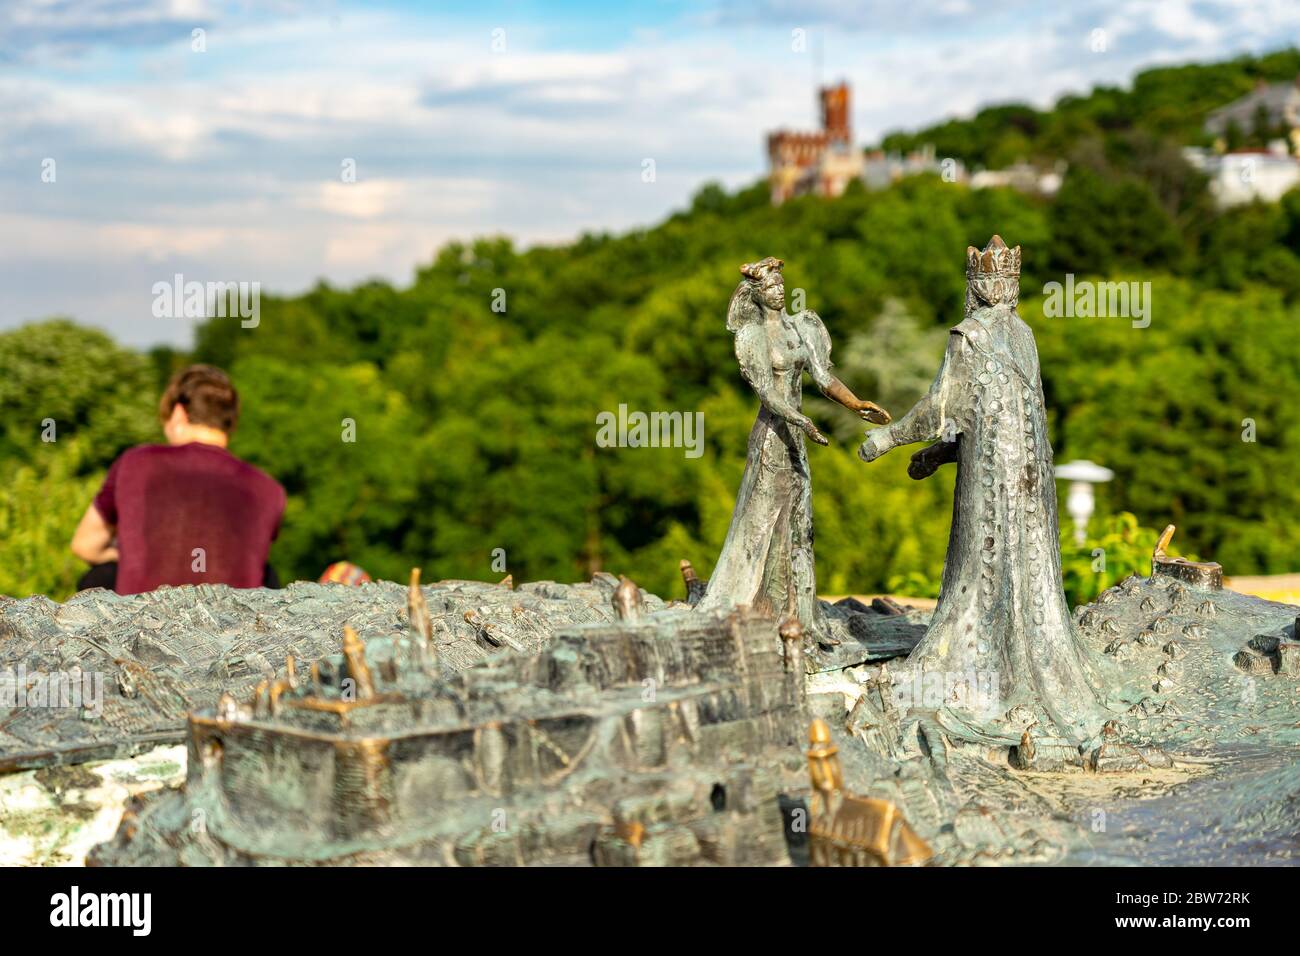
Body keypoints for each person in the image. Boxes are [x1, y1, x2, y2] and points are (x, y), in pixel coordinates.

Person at [697, 256, 890, 645]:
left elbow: (823, 377)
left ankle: (798, 614)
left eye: (782, 285)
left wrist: (855, 404)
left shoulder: (803, 327)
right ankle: (754, 608)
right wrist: (800, 421)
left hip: (798, 437)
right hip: (773, 436)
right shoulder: (751, 337)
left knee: (800, 524)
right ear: (757, 294)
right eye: (771, 287)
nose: (780, 291)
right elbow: (767, 394)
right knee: (764, 520)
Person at [70, 364, 285, 595]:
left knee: (100, 577)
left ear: (178, 414)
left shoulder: (136, 464)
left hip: (143, 624)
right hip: (233, 627)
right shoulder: (268, 490)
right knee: (268, 573)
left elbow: (85, 545)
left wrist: (131, 555)